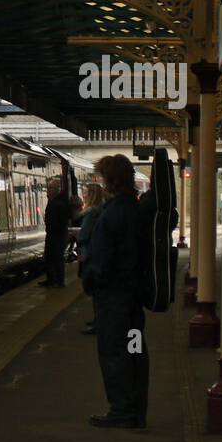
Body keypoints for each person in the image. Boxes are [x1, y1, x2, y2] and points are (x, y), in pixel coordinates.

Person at [83, 155, 148, 428]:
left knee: (114, 352)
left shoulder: (112, 214)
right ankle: (135, 410)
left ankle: (122, 410)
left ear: (111, 181)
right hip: (133, 301)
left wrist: (91, 280)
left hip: (114, 301)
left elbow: (102, 260)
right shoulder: (135, 210)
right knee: (133, 351)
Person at [76, 183, 105, 334]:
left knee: (94, 289)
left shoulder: (92, 212)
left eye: (86, 193)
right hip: (97, 253)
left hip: (90, 254)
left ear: (92, 194)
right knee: (97, 291)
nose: (84, 195)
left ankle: (98, 323)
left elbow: (84, 234)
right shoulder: (102, 209)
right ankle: (98, 320)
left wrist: (76, 236)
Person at [38, 177, 71, 288]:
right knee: (49, 257)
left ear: (55, 190)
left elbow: (62, 221)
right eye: (48, 188)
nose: (47, 190)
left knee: (57, 258)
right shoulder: (53, 201)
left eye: (50, 188)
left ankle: (59, 281)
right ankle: (51, 279)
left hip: (57, 235)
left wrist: (59, 232)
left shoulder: (59, 203)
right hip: (52, 234)